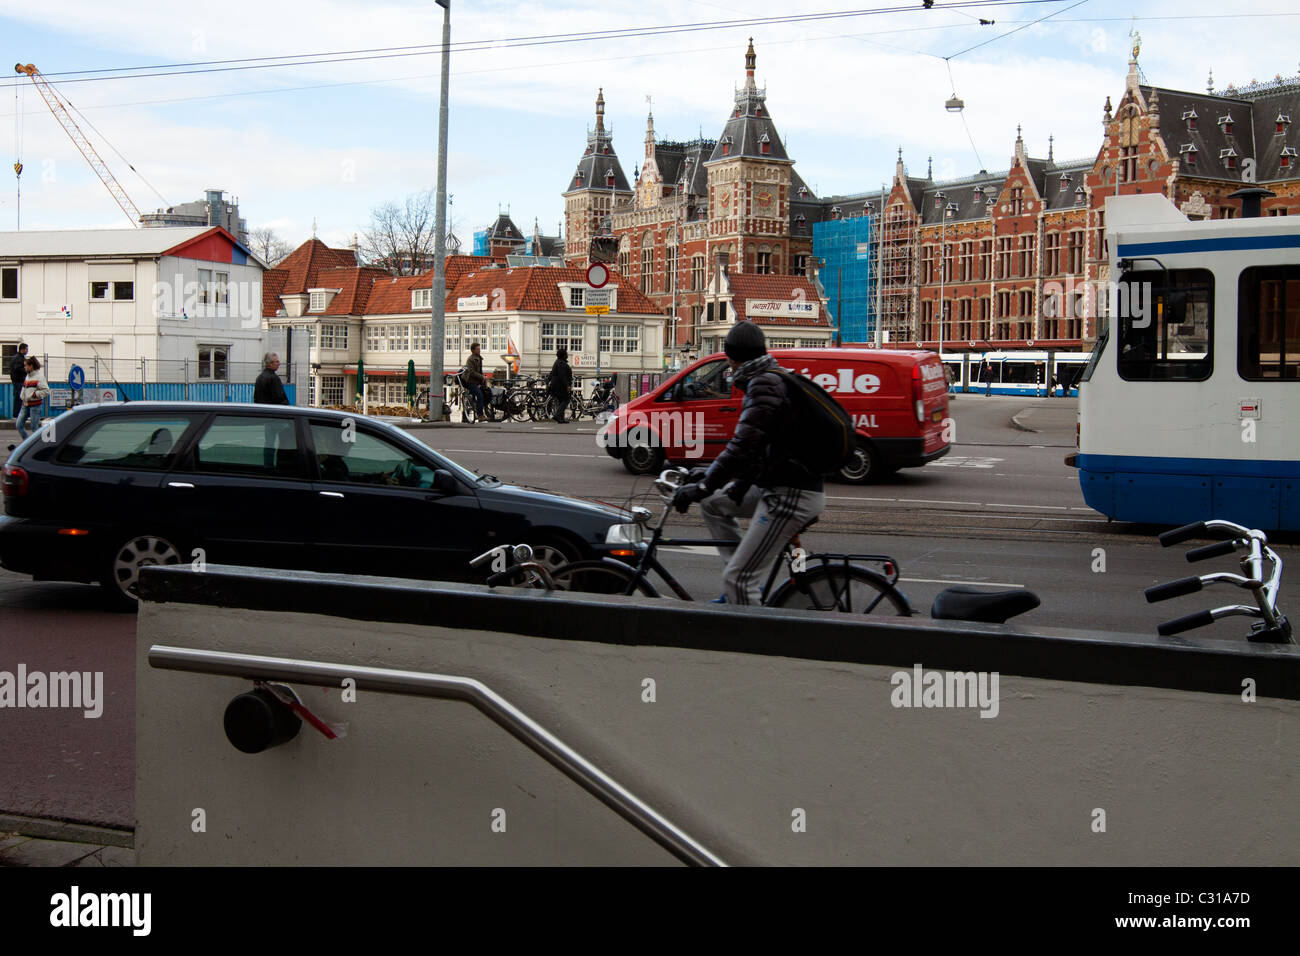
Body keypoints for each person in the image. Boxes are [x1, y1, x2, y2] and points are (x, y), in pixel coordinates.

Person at [672, 321, 826, 606]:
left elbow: (742, 446)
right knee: (714, 504)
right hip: (778, 484)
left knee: (738, 578)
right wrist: (711, 477)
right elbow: (762, 449)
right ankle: (743, 572)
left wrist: (704, 484)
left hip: (791, 493)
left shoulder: (764, 383)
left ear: (732, 357)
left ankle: (750, 627)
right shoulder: (770, 375)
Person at [15, 356, 48, 440]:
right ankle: (27, 443)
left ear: (31, 366)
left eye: (26, 365)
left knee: (34, 428)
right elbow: (24, 388)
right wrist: (22, 396)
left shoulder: (39, 377)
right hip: (25, 404)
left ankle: (36, 446)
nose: (24, 367)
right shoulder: (28, 376)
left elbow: (46, 391)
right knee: (18, 425)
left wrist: (34, 394)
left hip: (35, 405)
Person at [461, 342, 487, 422]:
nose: (479, 350)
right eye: (478, 349)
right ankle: (480, 415)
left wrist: (482, 379)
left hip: (476, 381)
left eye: (480, 349)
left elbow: (479, 371)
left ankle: (465, 417)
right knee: (479, 395)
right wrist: (481, 377)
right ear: (473, 350)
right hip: (470, 381)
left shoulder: (479, 358)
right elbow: (471, 372)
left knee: (482, 394)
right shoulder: (471, 359)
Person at [547, 347, 573, 424]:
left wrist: (548, 381)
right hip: (560, 386)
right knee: (566, 400)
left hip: (556, 385)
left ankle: (561, 418)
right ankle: (557, 415)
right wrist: (567, 385)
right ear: (564, 355)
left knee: (561, 401)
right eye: (566, 353)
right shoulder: (561, 363)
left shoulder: (557, 362)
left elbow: (552, 373)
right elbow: (562, 376)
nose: (567, 354)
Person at [9, 343, 28, 418]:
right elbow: (18, 368)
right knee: (21, 397)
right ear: (22, 349)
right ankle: (20, 414)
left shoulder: (15, 357)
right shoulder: (19, 358)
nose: (27, 351)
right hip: (19, 380)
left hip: (15, 380)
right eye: (26, 349)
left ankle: (16, 415)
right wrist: (26, 371)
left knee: (17, 397)